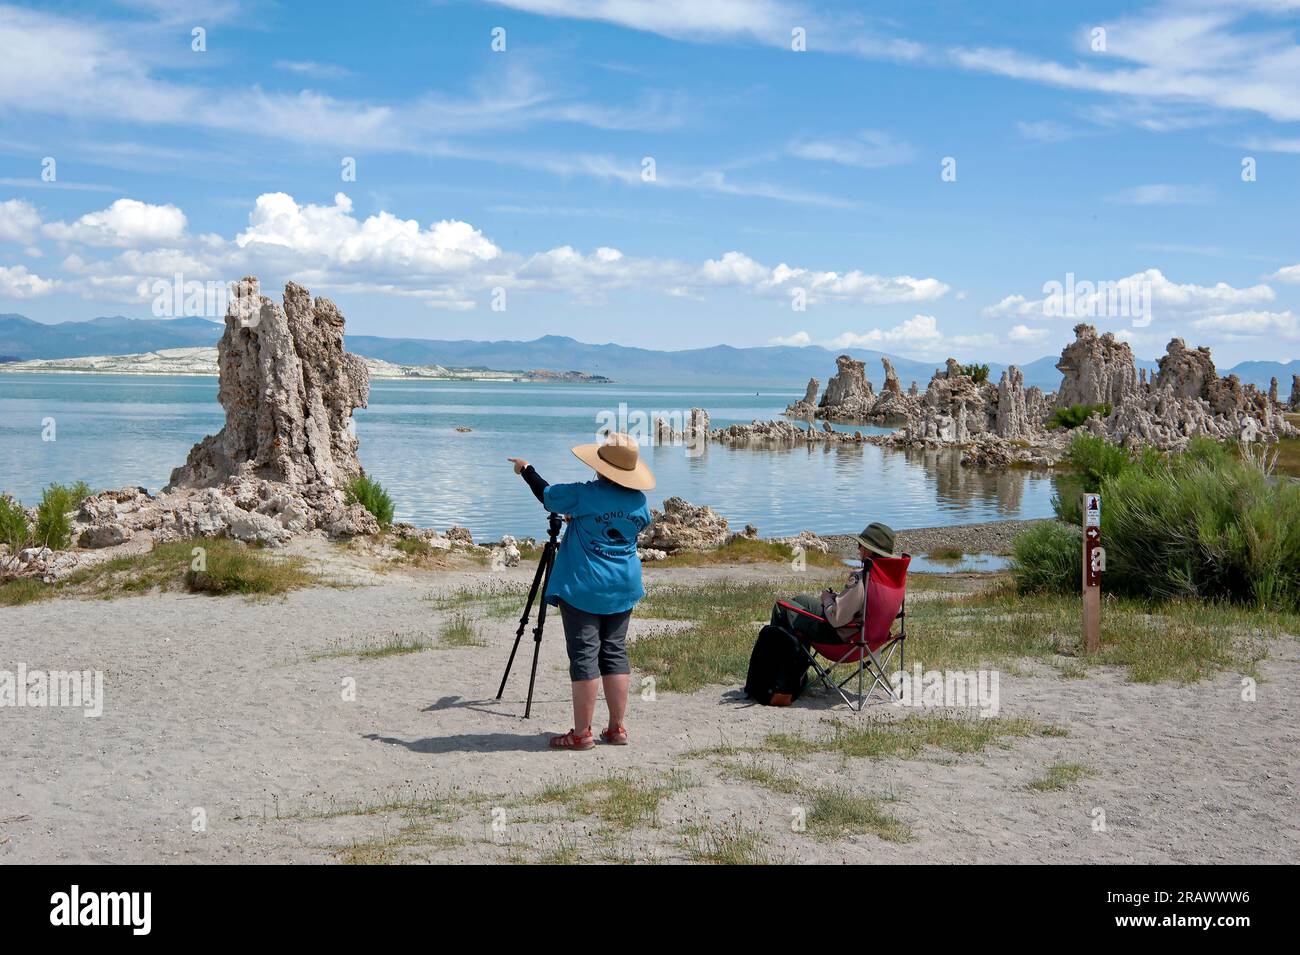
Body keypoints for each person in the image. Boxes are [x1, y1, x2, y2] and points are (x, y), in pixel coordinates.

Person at [507, 432, 654, 751]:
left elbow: (546, 494)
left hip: (584, 586)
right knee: (614, 651)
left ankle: (581, 733)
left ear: (601, 466)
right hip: (623, 585)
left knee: (585, 656)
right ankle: (616, 729)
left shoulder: (584, 495)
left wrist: (526, 468)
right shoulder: (639, 501)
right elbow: (636, 524)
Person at [770, 522, 896, 643]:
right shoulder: (889, 578)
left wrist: (827, 599)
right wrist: (838, 598)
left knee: (782, 606)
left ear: (869, 550)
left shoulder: (861, 578)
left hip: (839, 636)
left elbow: (836, 619)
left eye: (860, 545)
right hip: (868, 635)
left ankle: (777, 662)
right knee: (801, 600)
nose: (858, 549)